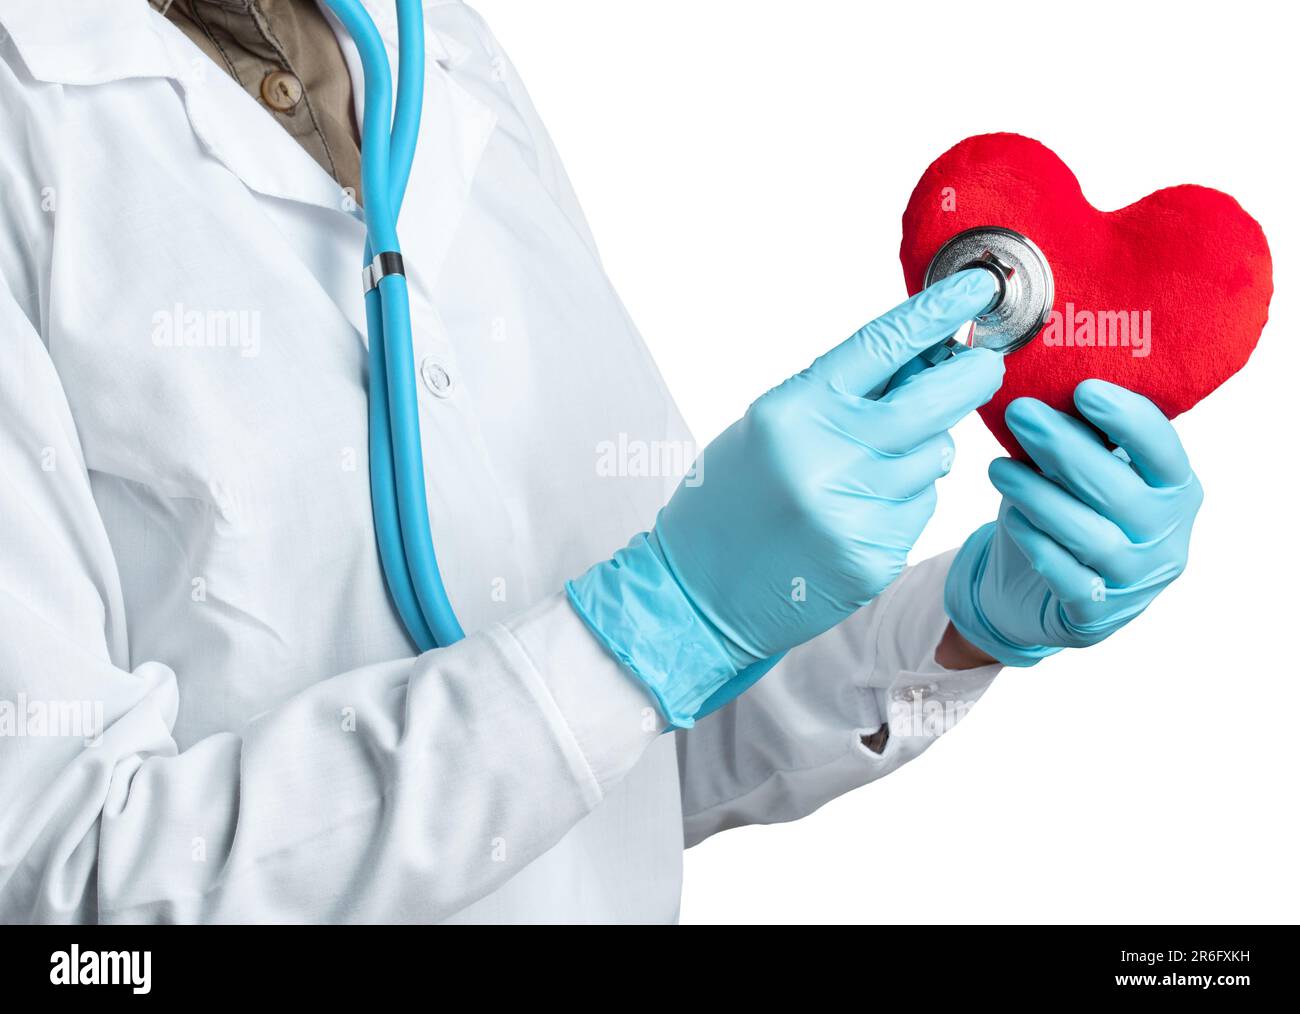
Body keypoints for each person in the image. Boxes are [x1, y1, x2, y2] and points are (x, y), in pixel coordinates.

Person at [0, 0, 1201, 924]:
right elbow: (67, 885)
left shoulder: (434, 50)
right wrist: (661, 623)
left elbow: (629, 748)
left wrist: (965, 619)